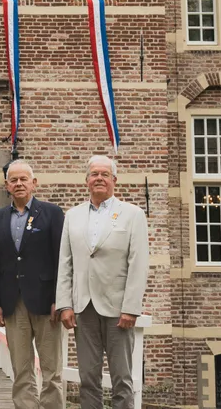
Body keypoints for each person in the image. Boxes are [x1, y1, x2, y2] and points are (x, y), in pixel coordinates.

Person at [57, 155, 149, 409]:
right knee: (88, 378)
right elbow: (65, 263)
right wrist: (65, 304)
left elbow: (138, 264)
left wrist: (131, 308)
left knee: (122, 379)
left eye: (104, 174)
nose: (99, 178)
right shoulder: (72, 216)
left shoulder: (133, 215)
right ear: (86, 180)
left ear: (114, 180)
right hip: (84, 308)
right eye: (94, 174)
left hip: (118, 309)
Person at [0, 159, 66, 409]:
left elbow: (61, 259)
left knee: (52, 370)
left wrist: (60, 300)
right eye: (14, 180)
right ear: (7, 186)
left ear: (34, 183)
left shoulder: (52, 213)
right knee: (21, 368)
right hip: (13, 302)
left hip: (46, 302)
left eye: (24, 179)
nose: (19, 184)